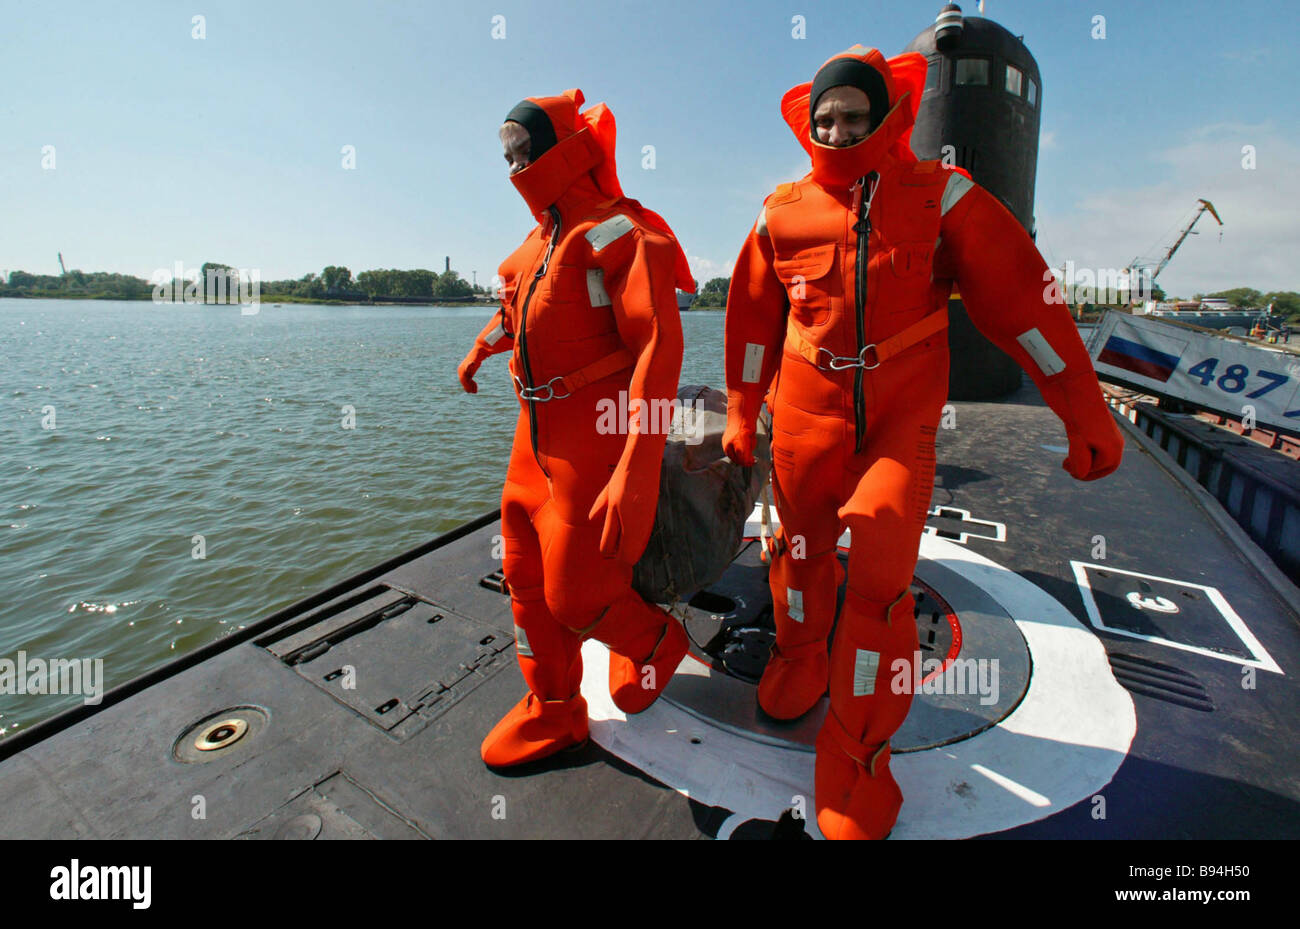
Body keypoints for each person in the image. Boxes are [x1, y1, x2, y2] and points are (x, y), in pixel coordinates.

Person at [722, 46, 1124, 839]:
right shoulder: (780, 211)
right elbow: (749, 325)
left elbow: (1024, 302)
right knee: (796, 553)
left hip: (897, 426)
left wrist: (1083, 409)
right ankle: (799, 654)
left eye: (854, 116)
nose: (838, 131)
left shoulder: (943, 198)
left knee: (877, 584)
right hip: (803, 421)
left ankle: (859, 752)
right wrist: (740, 412)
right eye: (825, 118)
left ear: (887, 116)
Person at [457, 89, 696, 767]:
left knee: (577, 593)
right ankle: (554, 708)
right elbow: (521, 311)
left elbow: (658, 343)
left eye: (526, 151)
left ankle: (651, 641)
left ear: (562, 149)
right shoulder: (534, 249)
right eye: (508, 156)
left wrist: (637, 464)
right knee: (525, 579)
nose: (516, 167)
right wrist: (482, 346)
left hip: (595, 434)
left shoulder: (616, 233)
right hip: (532, 437)